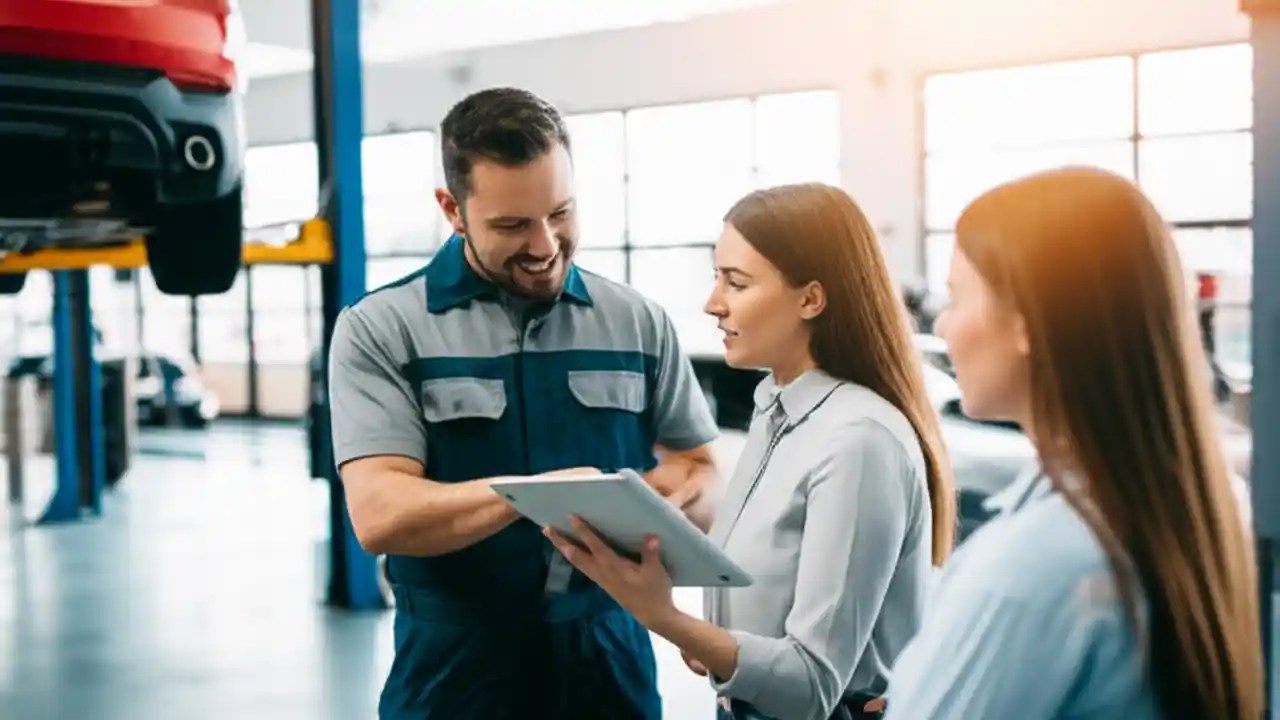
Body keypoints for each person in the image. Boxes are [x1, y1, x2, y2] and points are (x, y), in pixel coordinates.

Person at [327, 87, 722, 719]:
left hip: (609, 660)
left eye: (560, 213)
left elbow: (700, 468)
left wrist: (645, 509)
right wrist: (538, 494)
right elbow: (381, 514)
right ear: (452, 209)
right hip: (455, 671)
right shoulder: (383, 328)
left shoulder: (637, 322)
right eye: (512, 225)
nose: (544, 246)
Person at [546, 183, 957, 720]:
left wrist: (660, 614)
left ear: (810, 299)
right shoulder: (776, 409)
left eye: (735, 282)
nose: (712, 303)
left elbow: (811, 685)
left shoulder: (857, 439)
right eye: (717, 278)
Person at [883, 167, 1263, 719]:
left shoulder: (1028, 572)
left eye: (957, 296)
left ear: (1025, 324)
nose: (942, 325)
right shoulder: (1211, 504)